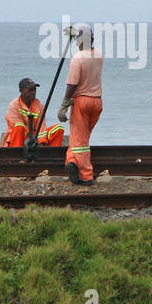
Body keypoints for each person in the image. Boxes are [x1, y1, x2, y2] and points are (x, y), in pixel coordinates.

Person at [57, 25, 102, 185]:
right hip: (97, 101)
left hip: (82, 102)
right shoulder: (98, 54)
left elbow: (72, 84)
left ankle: (86, 176)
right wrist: (78, 33)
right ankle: (72, 161)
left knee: (80, 142)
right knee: (80, 139)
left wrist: (64, 104)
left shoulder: (77, 58)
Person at [1, 78, 65, 148]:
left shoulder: (39, 105)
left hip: (35, 137)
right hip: (19, 137)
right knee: (19, 126)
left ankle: (51, 156)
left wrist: (41, 142)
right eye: (30, 90)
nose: (33, 92)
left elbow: (41, 128)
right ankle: (17, 156)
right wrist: (32, 139)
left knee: (58, 128)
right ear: (21, 91)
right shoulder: (14, 105)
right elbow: (16, 128)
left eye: (34, 90)